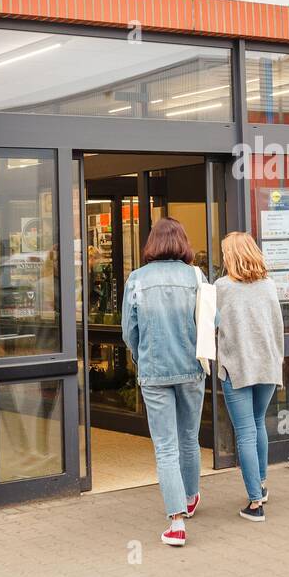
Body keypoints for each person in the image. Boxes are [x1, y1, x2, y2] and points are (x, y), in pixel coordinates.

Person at [122, 217, 207, 547]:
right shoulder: (196, 277)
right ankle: (190, 497)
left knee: (166, 446)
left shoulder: (137, 279)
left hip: (155, 372)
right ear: (182, 242)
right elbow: (210, 320)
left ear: (152, 244)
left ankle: (176, 522)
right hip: (191, 369)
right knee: (189, 437)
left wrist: (141, 357)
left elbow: (129, 331)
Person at [214, 232, 284, 522]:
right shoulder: (268, 286)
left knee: (244, 431)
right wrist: (277, 359)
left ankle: (255, 503)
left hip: (237, 367)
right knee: (258, 424)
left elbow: (212, 325)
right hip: (267, 365)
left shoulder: (221, 287)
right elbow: (278, 326)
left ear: (230, 256)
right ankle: (262, 484)